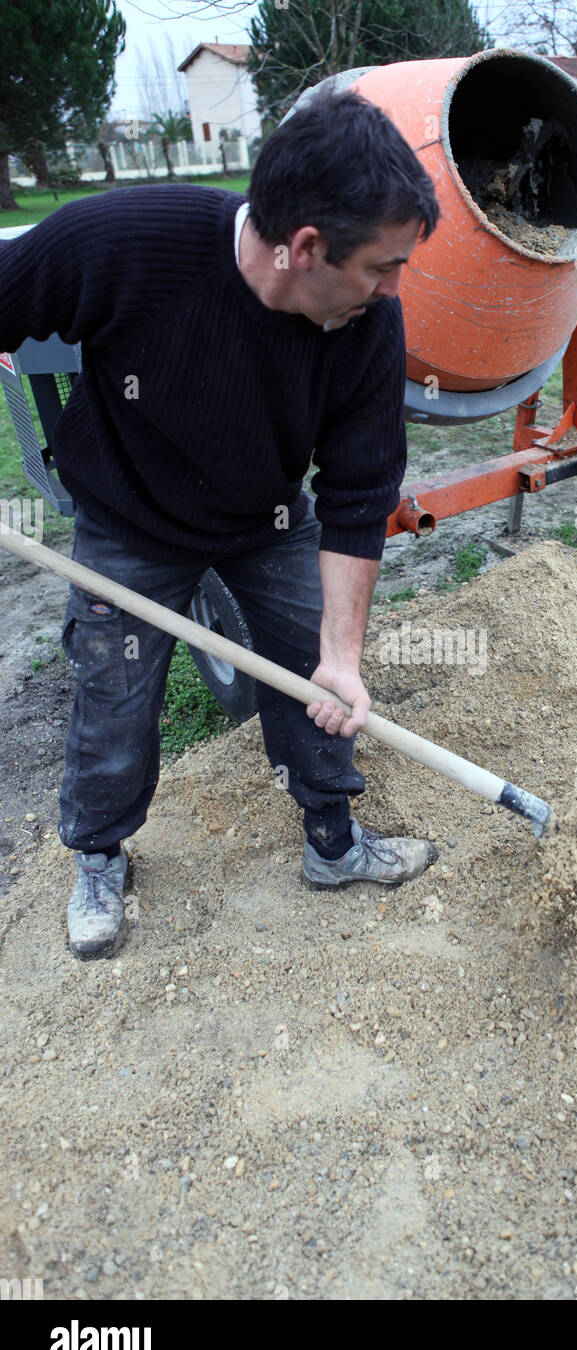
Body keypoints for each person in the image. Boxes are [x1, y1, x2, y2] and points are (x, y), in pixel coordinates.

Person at [0, 89, 443, 960]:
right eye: (382, 265)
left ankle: (333, 842)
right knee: (114, 693)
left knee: (318, 684)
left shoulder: (366, 324)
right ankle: (98, 854)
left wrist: (342, 659)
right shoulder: (126, 243)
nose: (395, 288)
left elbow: (358, 494)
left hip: (266, 516)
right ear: (307, 248)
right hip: (128, 518)